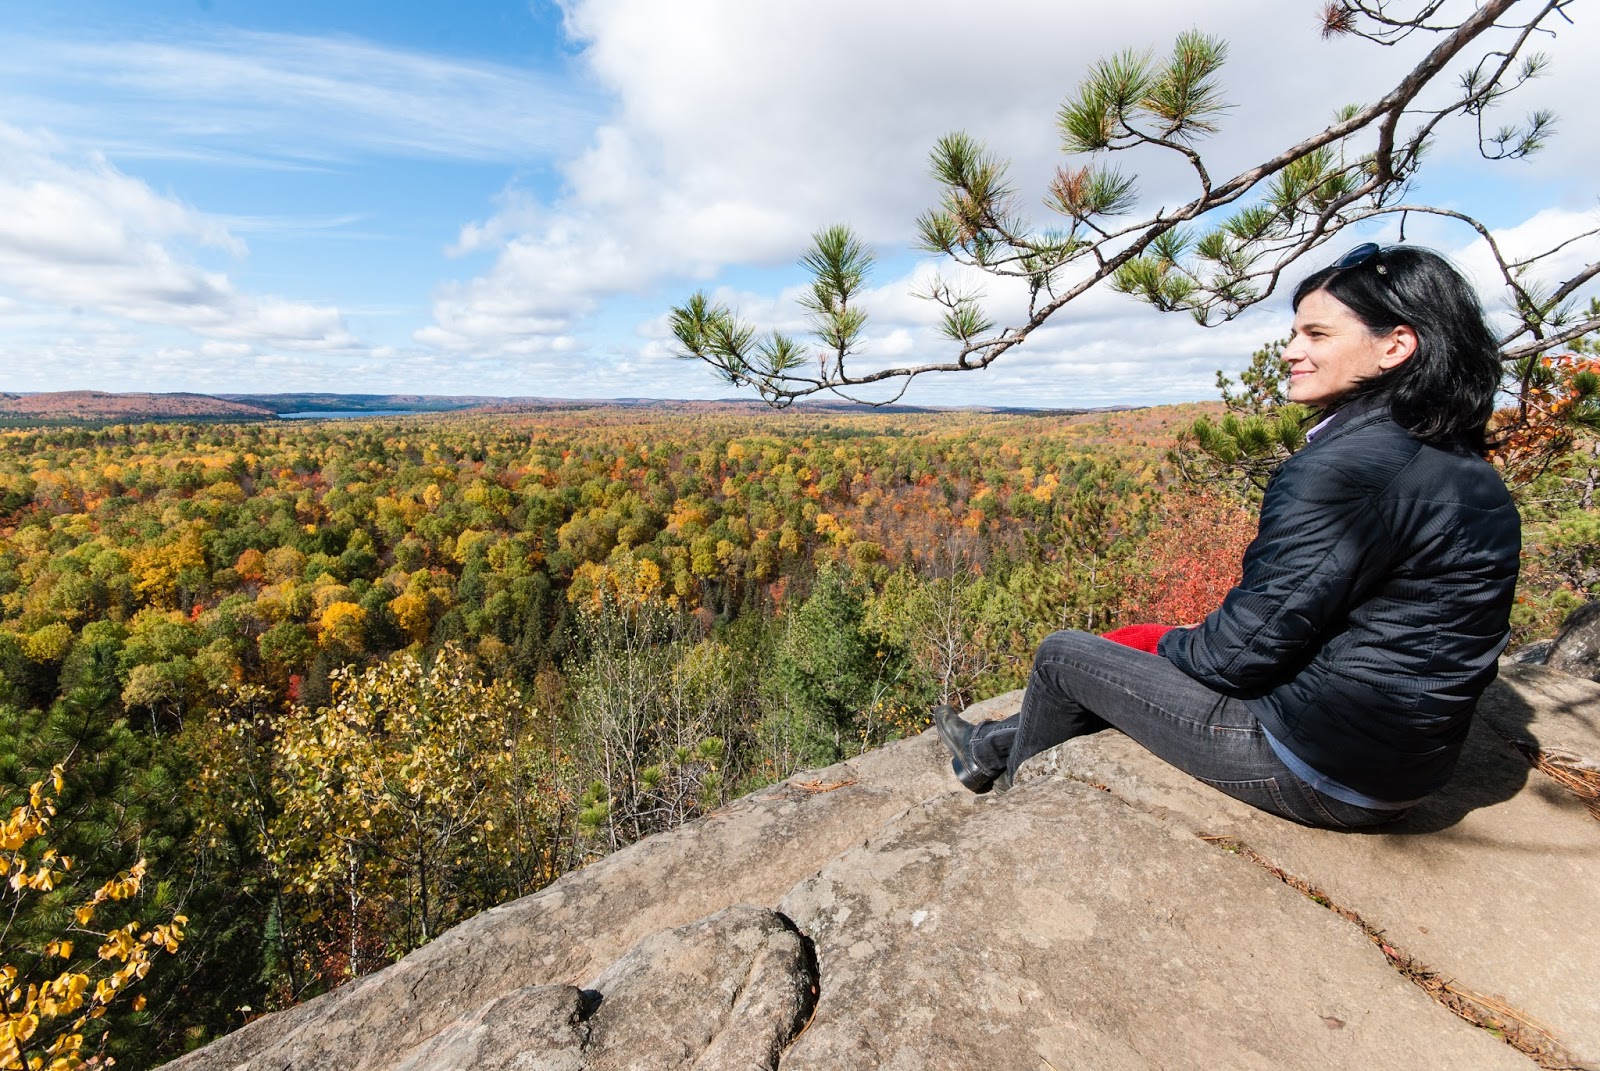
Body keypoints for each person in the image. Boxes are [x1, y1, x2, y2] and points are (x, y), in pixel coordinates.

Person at [936, 243, 1521, 828]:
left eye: (1317, 335)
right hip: (1405, 762)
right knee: (1146, 656)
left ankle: (1022, 813)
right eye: (1295, 333)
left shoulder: (1342, 471)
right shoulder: (1464, 465)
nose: (1290, 351)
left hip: (1320, 767)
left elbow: (1234, 657)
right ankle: (988, 748)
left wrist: (1159, 643)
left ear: (1395, 345)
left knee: (1065, 656)